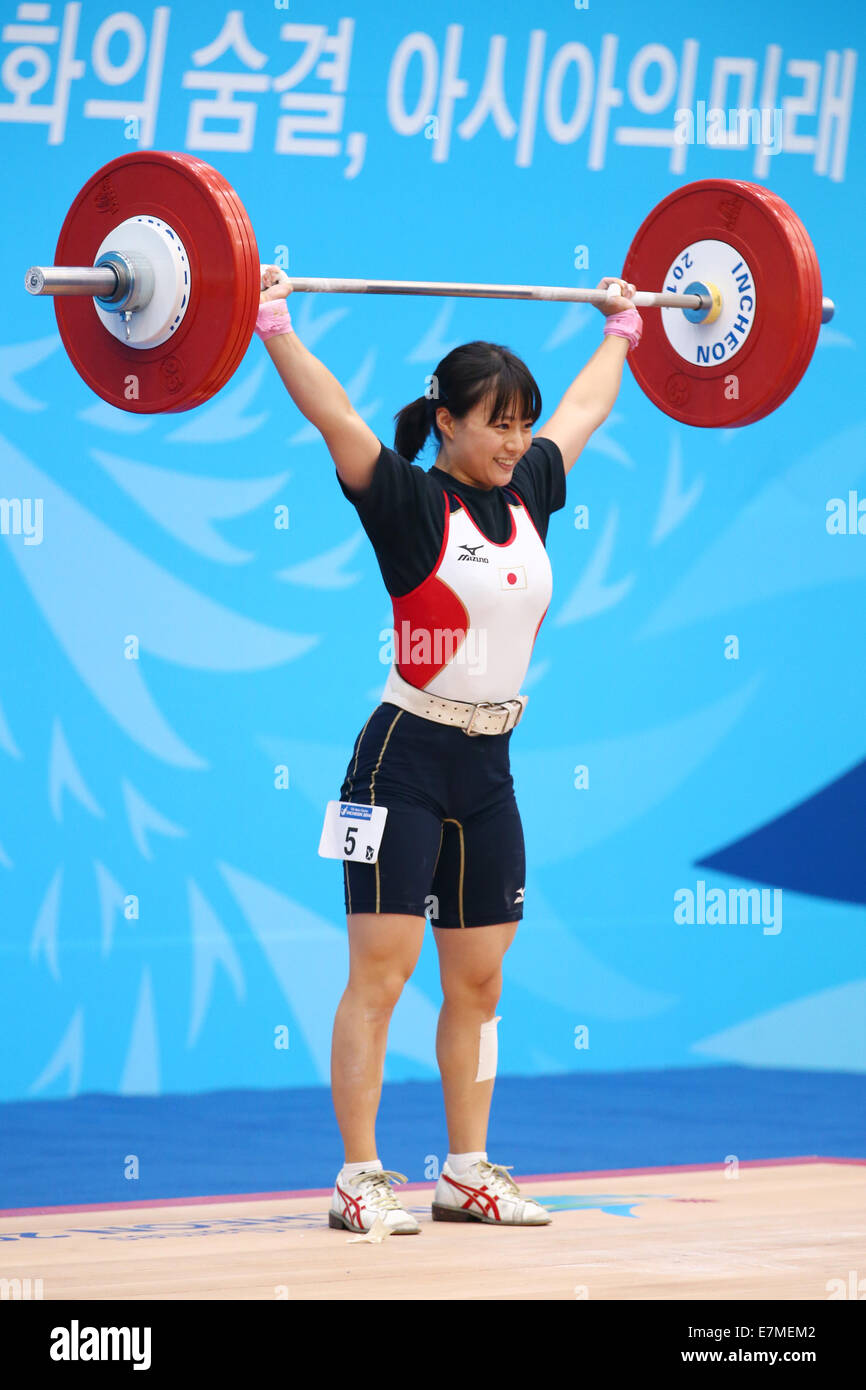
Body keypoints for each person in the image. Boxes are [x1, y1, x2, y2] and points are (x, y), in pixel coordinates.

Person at [256, 266, 642, 1233]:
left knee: (479, 981)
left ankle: (465, 1171)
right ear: (448, 422)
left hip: (490, 767)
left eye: (523, 424)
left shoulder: (531, 491)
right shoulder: (407, 502)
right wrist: (271, 324)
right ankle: (358, 1176)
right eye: (498, 423)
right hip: (399, 764)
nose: (517, 441)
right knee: (379, 976)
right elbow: (335, 417)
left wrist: (625, 329)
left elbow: (588, 411)